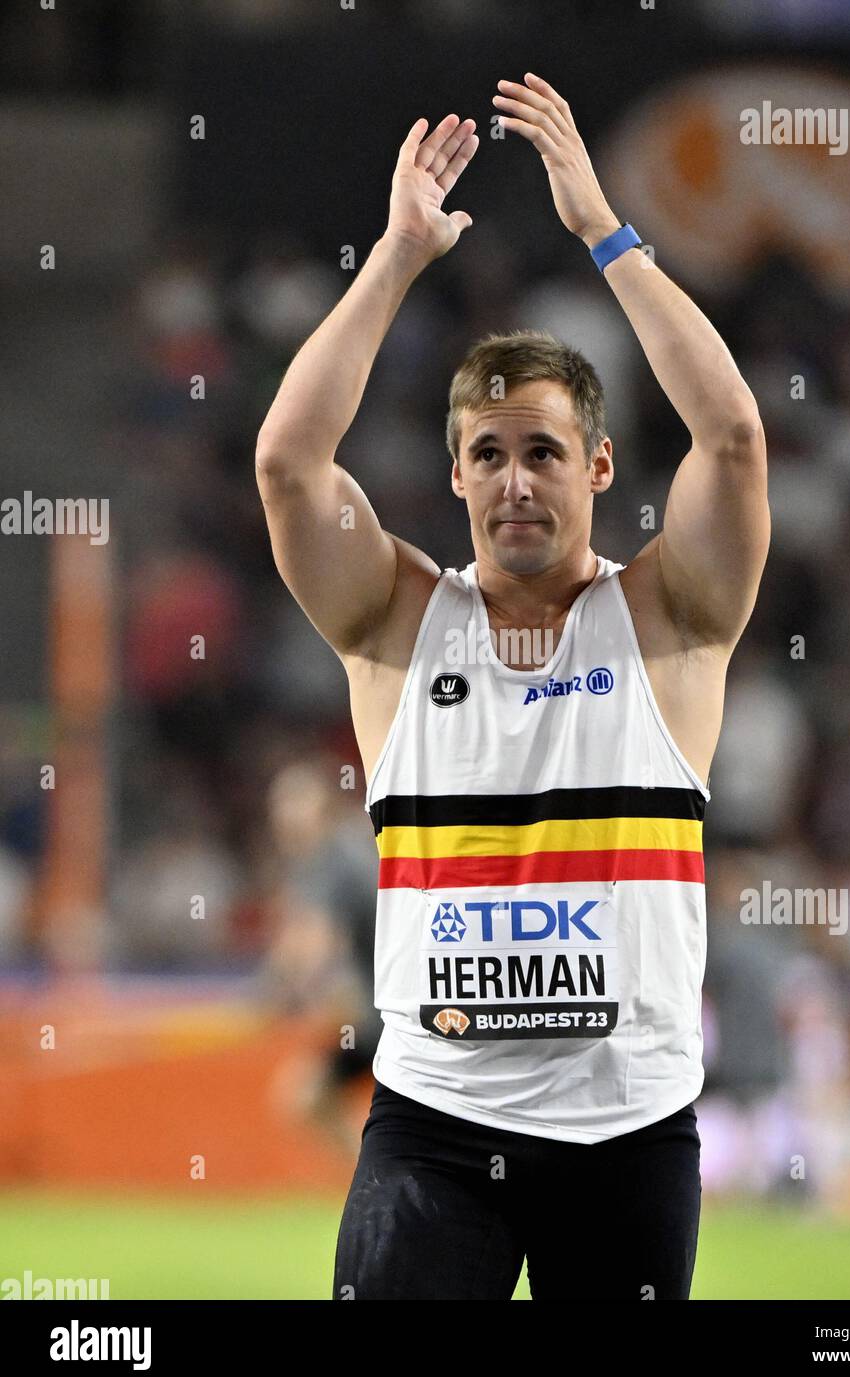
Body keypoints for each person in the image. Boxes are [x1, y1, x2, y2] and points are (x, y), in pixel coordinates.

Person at [255, 73, 770, 1300]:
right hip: (434, 1131)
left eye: (544, 451)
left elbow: (736, 439)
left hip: (629, 1131)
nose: (516, 481)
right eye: (487, 455)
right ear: (454, 478)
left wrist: (607, 230)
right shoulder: (394, 623)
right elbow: (287, 461)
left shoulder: (668, 620)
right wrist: (395, 257)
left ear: (598, 464)